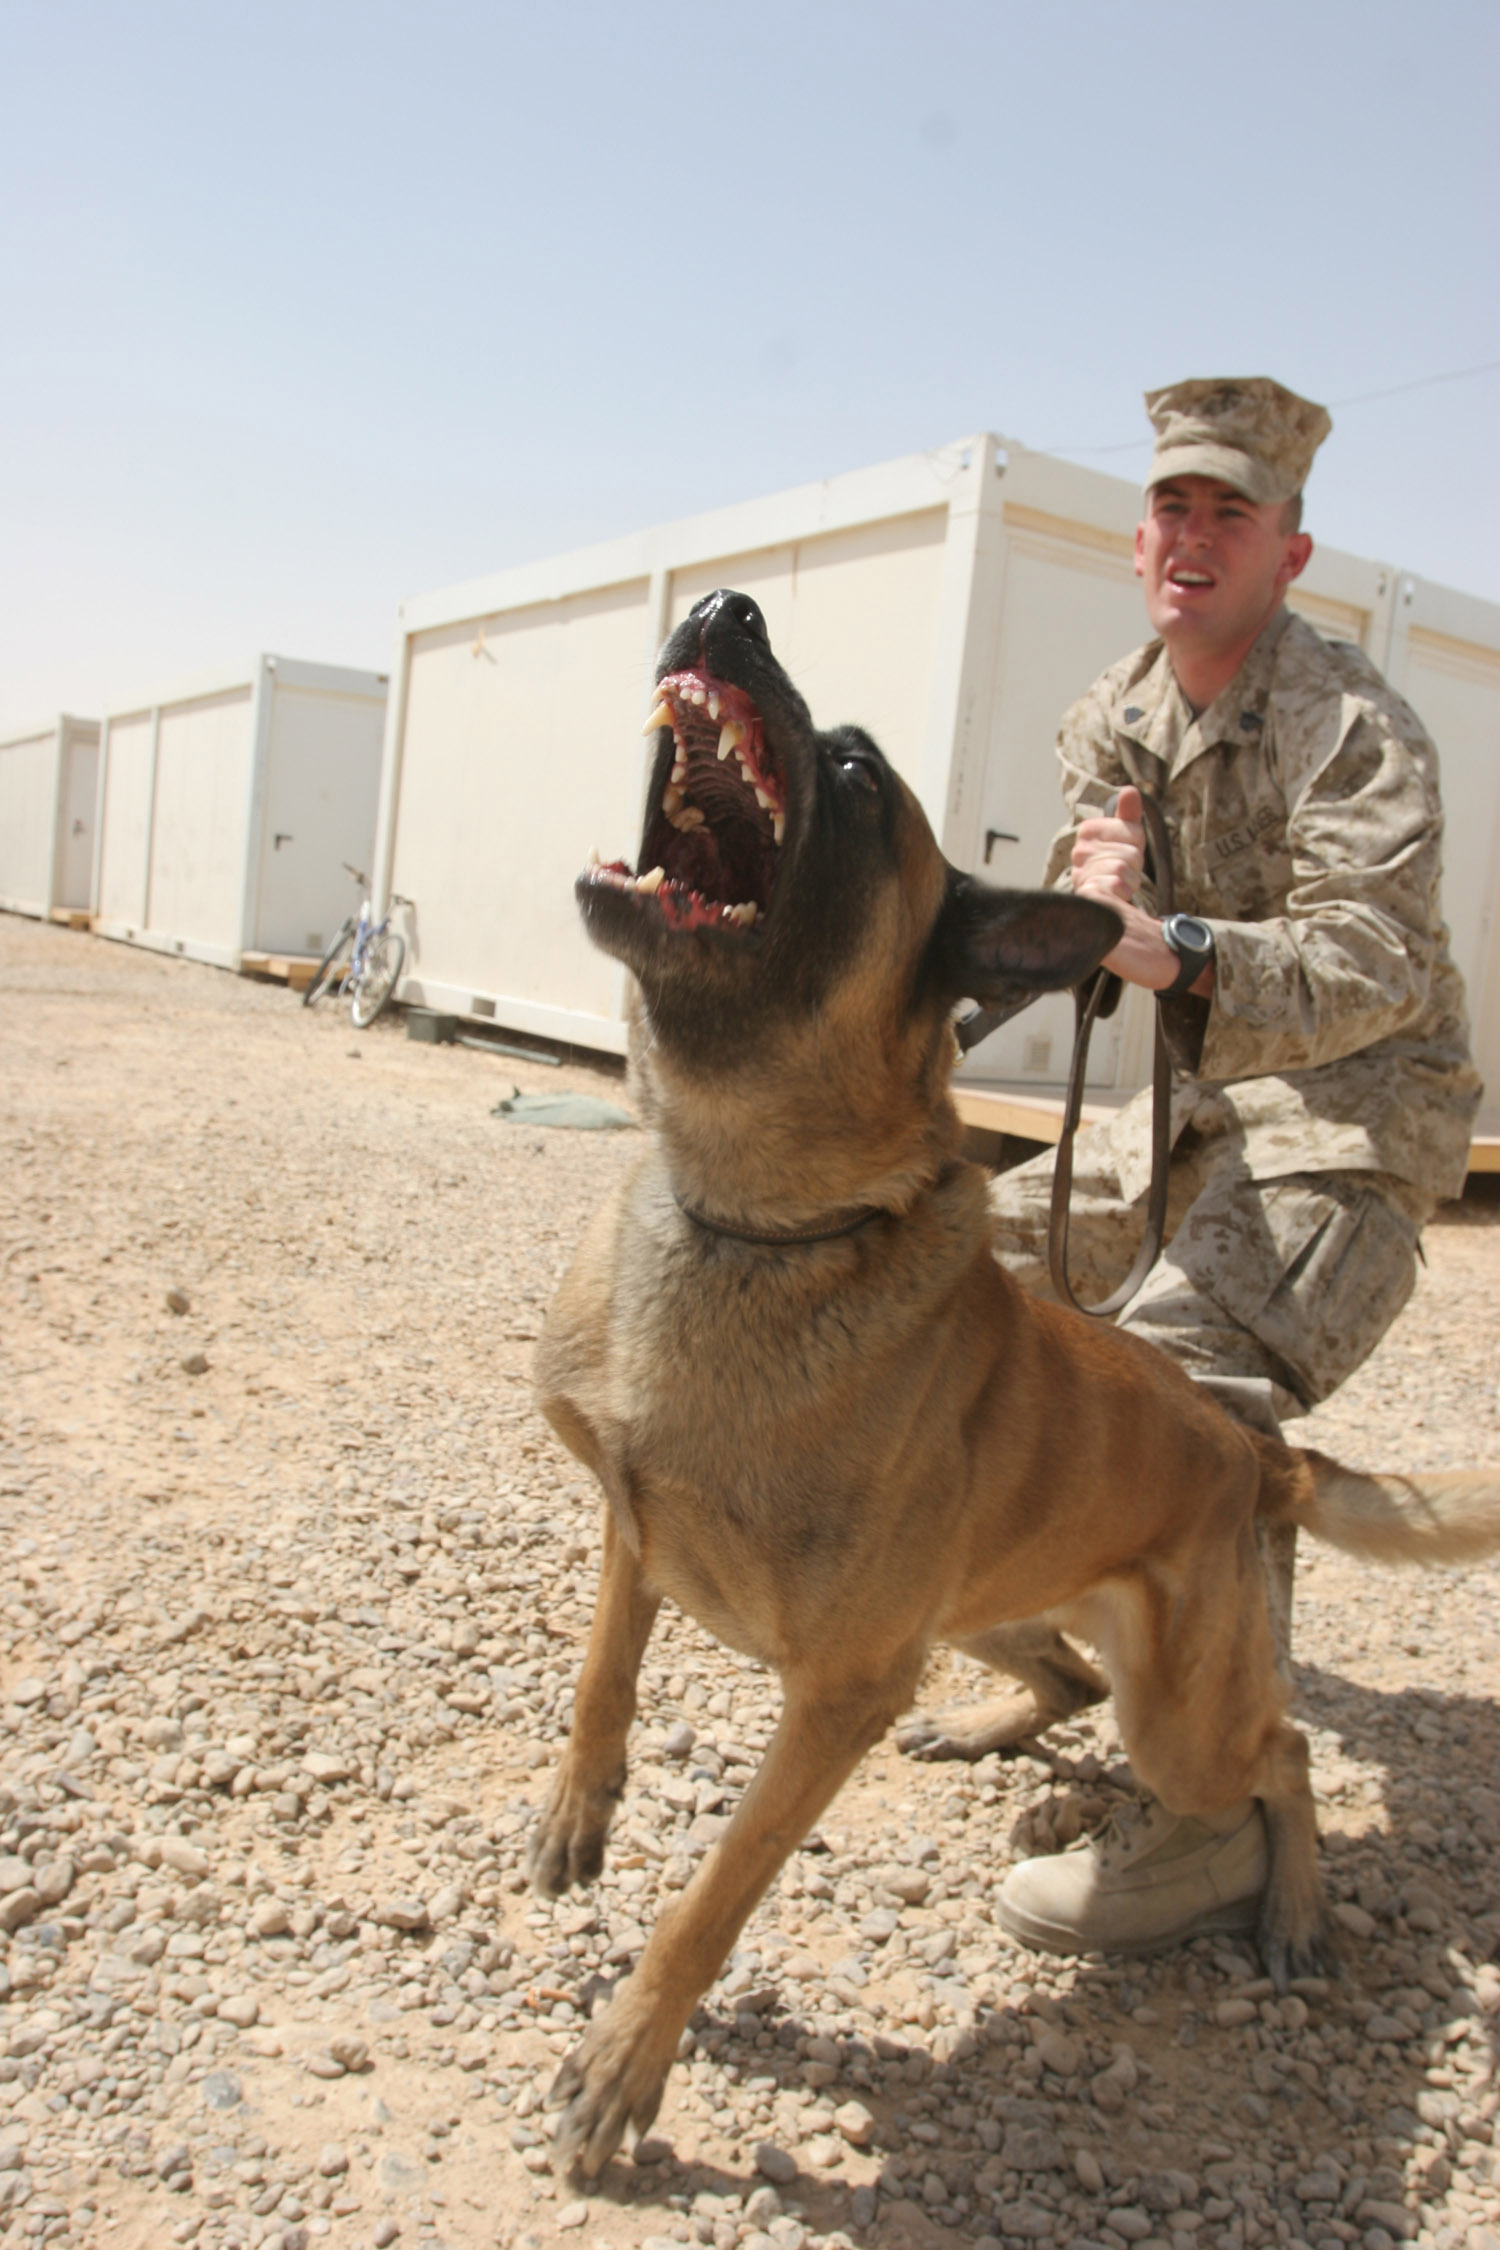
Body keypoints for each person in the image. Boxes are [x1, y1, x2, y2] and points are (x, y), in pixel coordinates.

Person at [942, 376, 1482, 1960]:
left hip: (1352, 1125)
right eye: (1172, 506)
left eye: (1228, 514)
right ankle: (1046, 1653)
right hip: (1190, 1116)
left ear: (1289, 555)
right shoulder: (1111, 711)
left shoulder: (1353, 727)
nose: (1193, 534)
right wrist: (1090, 883)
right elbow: (1099, 903)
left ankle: (1217, 1817)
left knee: (1180, 1399)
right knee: (946, 1295)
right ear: (1140, 538)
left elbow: (1371, 966)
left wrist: (1157, 936)